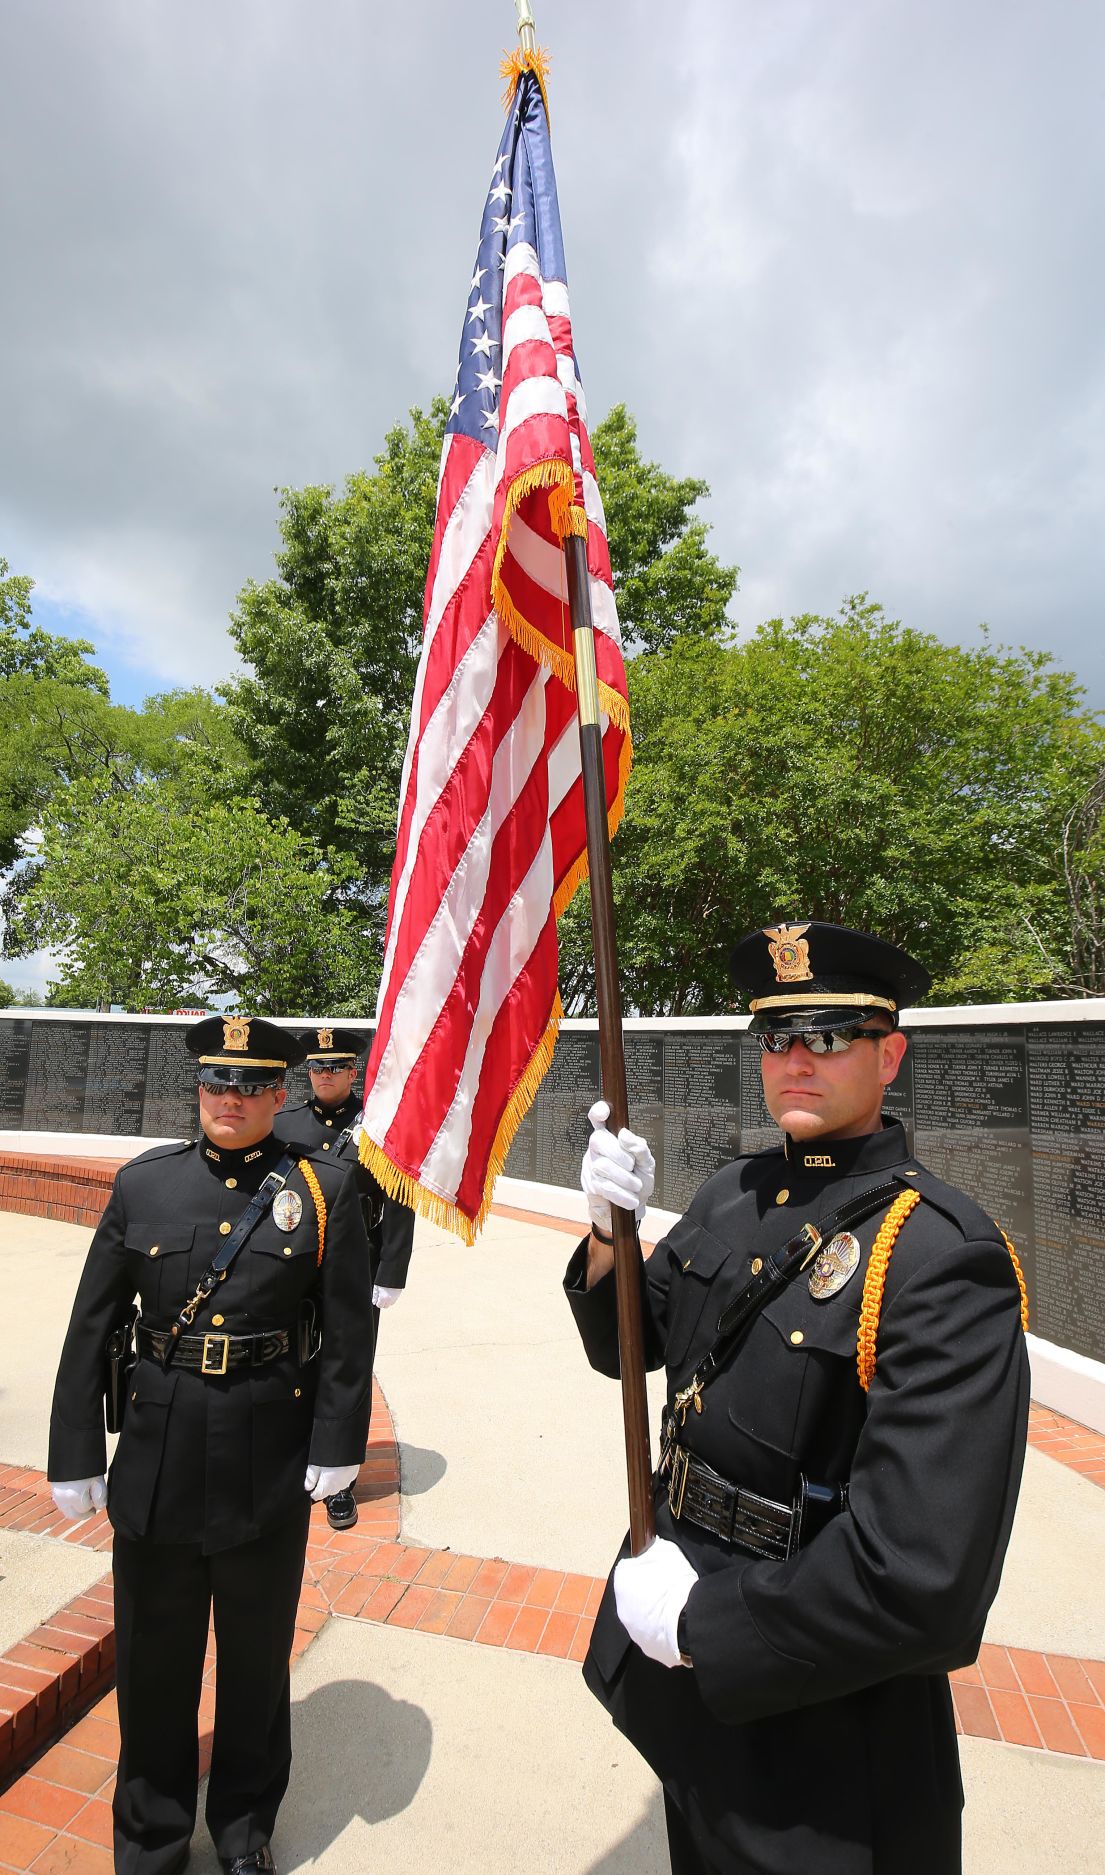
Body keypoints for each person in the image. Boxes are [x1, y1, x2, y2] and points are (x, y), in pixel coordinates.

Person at [566, 921, 1030, 1875]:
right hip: (688, 1671)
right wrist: (611, 1234)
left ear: (888, 1053)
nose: (795, 1061)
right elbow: (634, 1349)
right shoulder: (734, 1192)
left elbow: (922, 1580)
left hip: (815, 1715)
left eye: (828, 1035)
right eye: (776, 1039)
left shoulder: (941, 1254)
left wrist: (699, 1627)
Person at [48, 1016, 376, 1875]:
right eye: (213, 1083)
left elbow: (347, 1330)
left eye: (248, 1085)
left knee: (256, 1658)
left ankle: (242, 1830)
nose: (228, 1099)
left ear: (279, 1093)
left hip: (268, 1449)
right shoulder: (144, 1185)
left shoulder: (324, 1186)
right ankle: (151, 1839)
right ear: (196, 1089)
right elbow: (91, 1327)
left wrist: (341, 1439)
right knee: (154, 1659)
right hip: (157, 1446)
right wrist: (75, 1446)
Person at [274, 1024, 416, 1530]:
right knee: (291, 1362)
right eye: (316, 1066)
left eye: (335, 1066)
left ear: (352, 1071)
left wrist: (392, 1268)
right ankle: (295, 1460)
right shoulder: (285, 1122)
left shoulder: (376, 1124)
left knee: (347, 1366)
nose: (325, 1074)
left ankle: (342, 1482)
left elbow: (399, 1195)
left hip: (359, 1263)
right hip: (295, 1260)